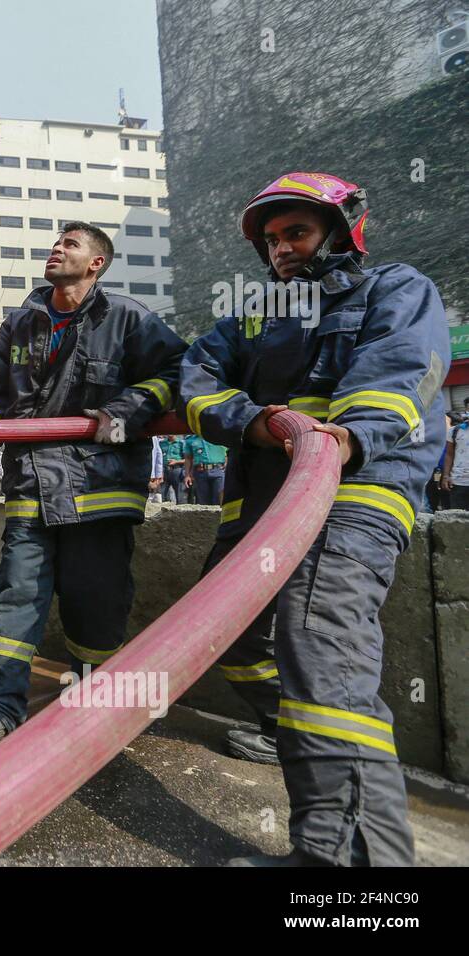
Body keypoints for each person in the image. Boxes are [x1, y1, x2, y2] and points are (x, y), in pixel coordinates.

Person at [181, 171, 450, 867]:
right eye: (271, 241)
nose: (280, 251)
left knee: (320, 657)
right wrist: (255, 421)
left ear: (342, 230)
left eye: (295, 232)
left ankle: (352, 867)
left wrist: (346, 438)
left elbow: (400, 374)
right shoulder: (255, 315)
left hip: (351, 498)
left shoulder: (394, 289)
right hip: (266, 510)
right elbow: (199, 379)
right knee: (233, 638)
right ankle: (296, 734)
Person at [0, 221, 186, 746]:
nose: (57, 249)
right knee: (16, 596)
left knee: (95, 603)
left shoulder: (126, 318)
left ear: (96, 263)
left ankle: (96, 705)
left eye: (70, 245)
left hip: (99, 488)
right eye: (56, 242)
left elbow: (179, 370)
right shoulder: (21, 323)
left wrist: (126, 409)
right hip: (32, 484)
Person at [184, 434, 227, 505]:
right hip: (200, 472)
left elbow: (229, 450)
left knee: (219, 500)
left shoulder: (220, 436)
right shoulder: (190, 440)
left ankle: (218, 516)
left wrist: (227, 462)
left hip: (218, 471)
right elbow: (188, 458)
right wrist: (187, 475)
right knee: (203, 502)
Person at [443, 413, 469, 509]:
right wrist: (446, 476)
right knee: (457, 519)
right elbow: (449, 454)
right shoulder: (455, 430)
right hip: (458, 482)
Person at [159, 434, 188, 504]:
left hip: (177, 470)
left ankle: (181, 512)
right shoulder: (162, 443)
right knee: (161, 495)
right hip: (164, 471)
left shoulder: (181, 443)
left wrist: (176, 461)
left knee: (180, 495)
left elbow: (187, 459)